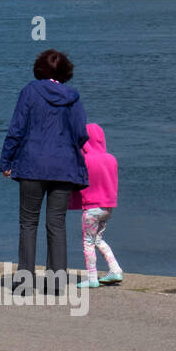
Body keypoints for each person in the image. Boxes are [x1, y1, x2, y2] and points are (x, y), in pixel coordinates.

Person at [0, 49, 89, 295]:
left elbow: (16, 129)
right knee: (56, 224)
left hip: (32, 165)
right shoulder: (73, 96)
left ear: (39, 69)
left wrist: (6, 161)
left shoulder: (30, 91)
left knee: (28, 223)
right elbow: (82, 133)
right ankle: (57, 282)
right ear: (65, 71)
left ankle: (25, 281)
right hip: (64, 167)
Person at [69, 123, 121, 288]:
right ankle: (115, 269)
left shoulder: (85, 160)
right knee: (98, 239)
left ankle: (92, 278)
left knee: (88, 241)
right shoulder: (111, 159)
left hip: (92, 209)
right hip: (107, 208)